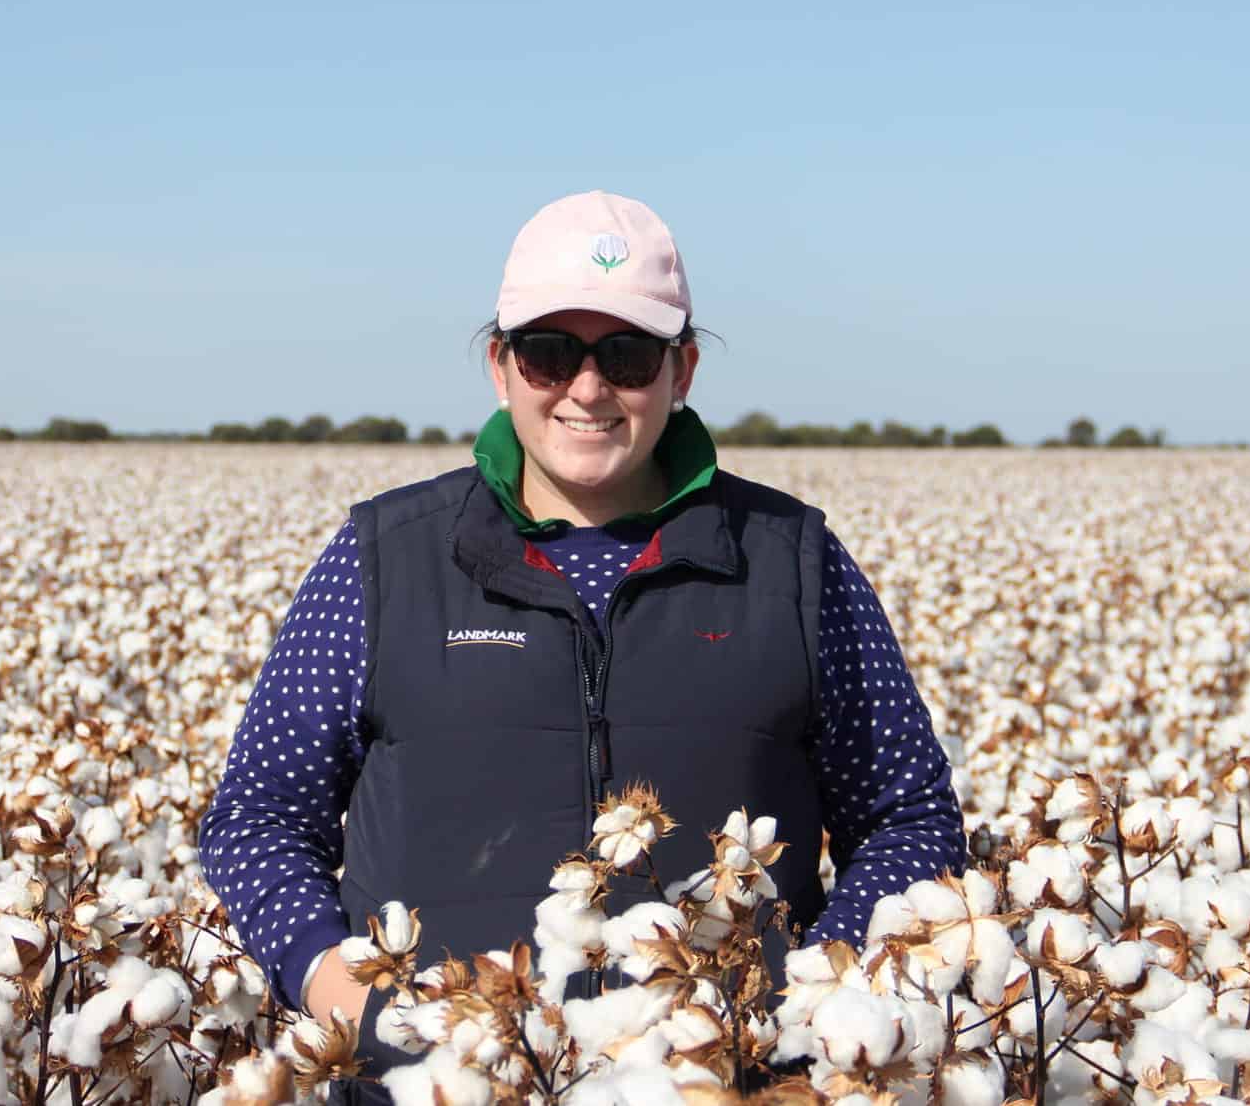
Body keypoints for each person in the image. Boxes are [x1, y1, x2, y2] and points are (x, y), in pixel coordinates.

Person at [199, 191, 966, 1089]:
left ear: (682, 370)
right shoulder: (383, 557)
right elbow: (257, 817)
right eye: (550, 352)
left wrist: (809, 1005)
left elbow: (909, 819)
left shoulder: (794, 562)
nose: (588, 388)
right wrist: (340, 993)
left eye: (628, 355)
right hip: (431, 1086)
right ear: (501, 366)